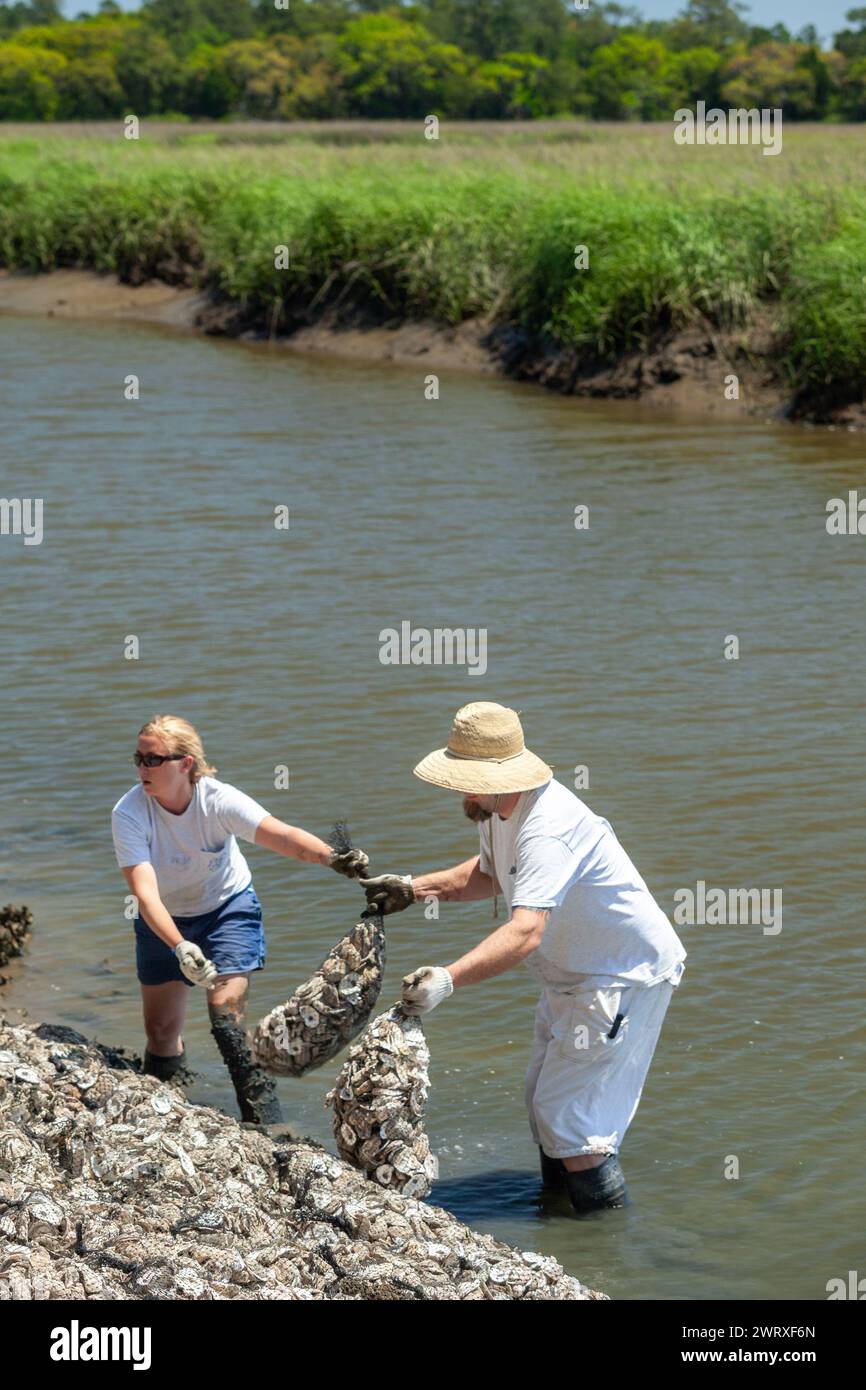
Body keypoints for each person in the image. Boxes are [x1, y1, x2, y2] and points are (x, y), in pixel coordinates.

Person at [360, 701, 686, 1215]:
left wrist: (446, 979)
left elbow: (526, 931)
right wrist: (413, 888)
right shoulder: (499, 809)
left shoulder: (547, 828)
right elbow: (492, 873)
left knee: (572, 1127)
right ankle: (558, 1218)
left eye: (466, 779)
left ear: (497, 775)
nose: (460, 791)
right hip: (572, 977)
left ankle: (599, 1246)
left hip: (619, 976)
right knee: (543, 1107)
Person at [111, 714, 369, 1127]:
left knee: (225, 1018)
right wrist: (180, 946)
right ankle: (161, 1113)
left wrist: (333, 858)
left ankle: (265, 1124)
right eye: (138, 758)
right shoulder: (129, 813)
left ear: (185, 763)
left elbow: (280, 835)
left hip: (227, 911)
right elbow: (144, 893)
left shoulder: (218, 800)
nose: (142, 767)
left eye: (153, 759)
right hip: (164, 920)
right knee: (161, 1031)